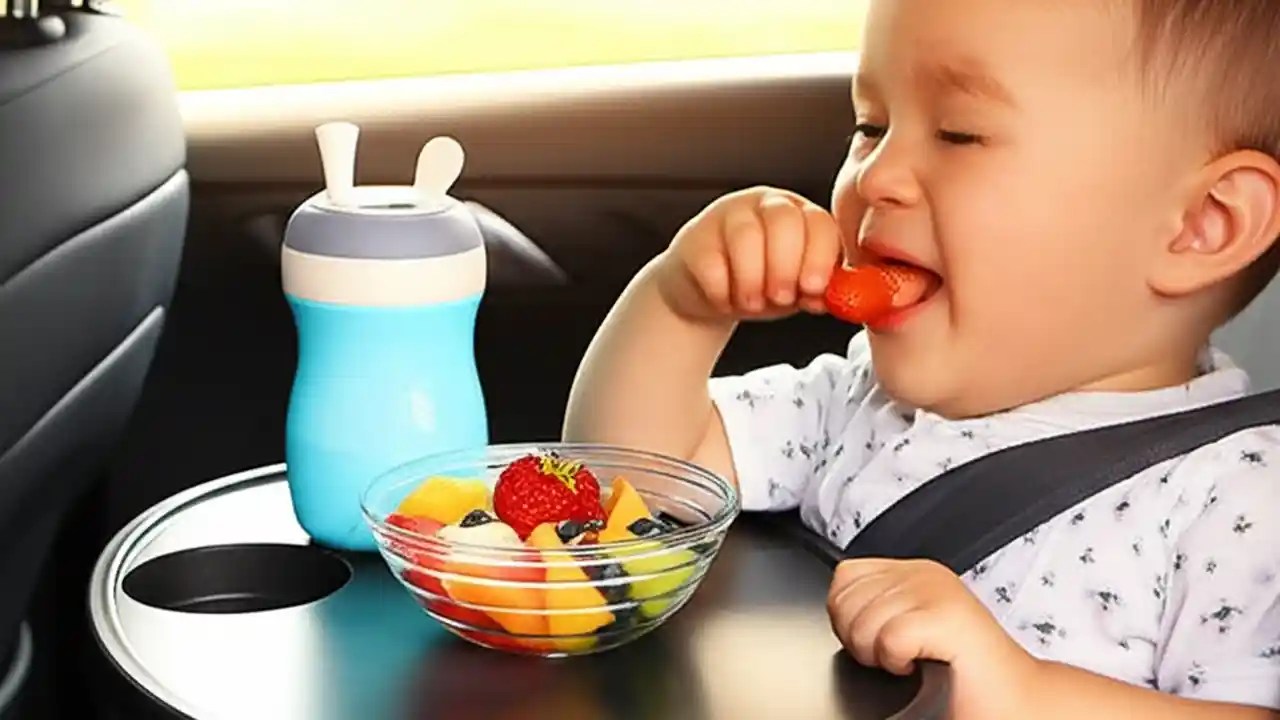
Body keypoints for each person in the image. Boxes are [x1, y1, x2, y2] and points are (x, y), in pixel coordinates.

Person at [562, 0, 1280, 717]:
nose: (876, 176)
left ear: (1203, 224)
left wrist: (1022, 694)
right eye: (870, 127)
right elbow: (629, 482)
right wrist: (682, 306)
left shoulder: (1237, 503)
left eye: (959, 134)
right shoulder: (857, 404)